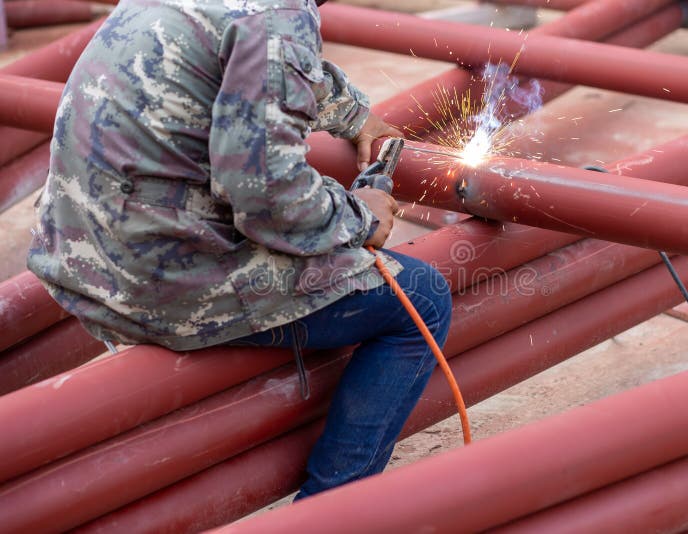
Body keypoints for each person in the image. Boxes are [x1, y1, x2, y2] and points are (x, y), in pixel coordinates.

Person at [27, 0, 452, 499]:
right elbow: (265, 198)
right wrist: (361, 216)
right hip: (154, 282)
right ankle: (328, 513)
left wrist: (353, 115)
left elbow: (249, 62)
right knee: (421, 298)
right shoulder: (279, 16)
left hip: (76, 256)